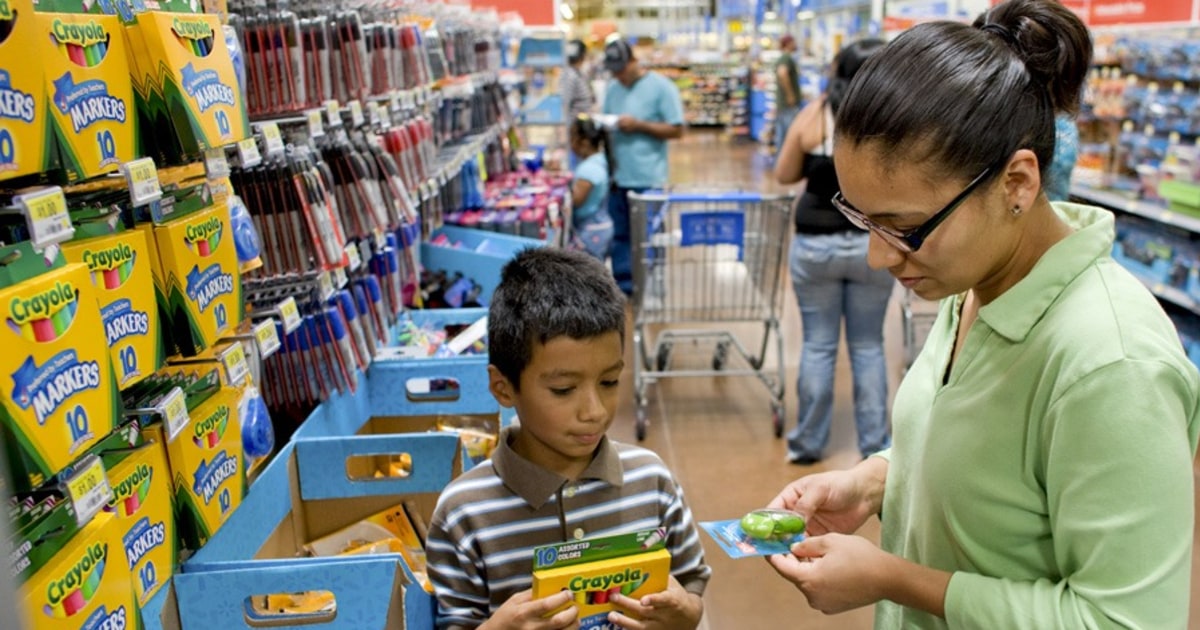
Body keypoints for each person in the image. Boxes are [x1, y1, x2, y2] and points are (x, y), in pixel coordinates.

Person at [765, 0, 1200, 627]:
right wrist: (874, 481)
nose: (878, 258)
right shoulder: (973, 282)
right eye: (864, 219)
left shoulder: (1113, 366)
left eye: (905, 228)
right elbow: (990, 465)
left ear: (1018, 184)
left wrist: (899, 580)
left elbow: (1124, 619)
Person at [426, 248, 711, 630]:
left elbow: (691, 589)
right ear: (504, 387)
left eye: (609, 382)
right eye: (563, 389)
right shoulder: (463, 515)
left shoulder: (652, 481)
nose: (593, 410)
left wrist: (684, 617)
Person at [774, 38, 894, 465]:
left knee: (819, 346)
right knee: (868, 346)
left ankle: (807, 443)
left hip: (815, 245)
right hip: (873, 244)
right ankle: (878, 448)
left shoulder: (817, 116)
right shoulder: (895, 118)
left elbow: (784, 172)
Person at [602, 36, 684, 295]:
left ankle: (654, 285)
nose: (618, 76)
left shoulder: (662, 88)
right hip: (618, 178)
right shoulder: (613, 89)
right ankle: (625, 287)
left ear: (635, 61)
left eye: (622, 70)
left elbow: (676, 129)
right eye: (614, 71)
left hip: (649, 179)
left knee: (652, 236)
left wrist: (639, 125)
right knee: (621, 237)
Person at [568, 115, 615, 261]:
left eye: (573, 138)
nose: (570, 143)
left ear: (585, 142)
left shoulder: (588, 169)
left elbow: (577, 200)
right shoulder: (600, 161)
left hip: (591, 231)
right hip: (600, 227)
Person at [773, 34, 802, 154]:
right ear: (788, 44)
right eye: (793, 42)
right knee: (789, 136)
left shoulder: (784, 58)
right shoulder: (786, 58)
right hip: (788, 105)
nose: (795, 44)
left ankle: (780, 165)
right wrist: (790, 95)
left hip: (783, 104)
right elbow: (782, 73)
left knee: (782, 135)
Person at [562, 39, 596, 123]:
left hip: (583, 124)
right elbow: (565, 104)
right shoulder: (569, 75)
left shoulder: (579, 73)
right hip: (574, 127)